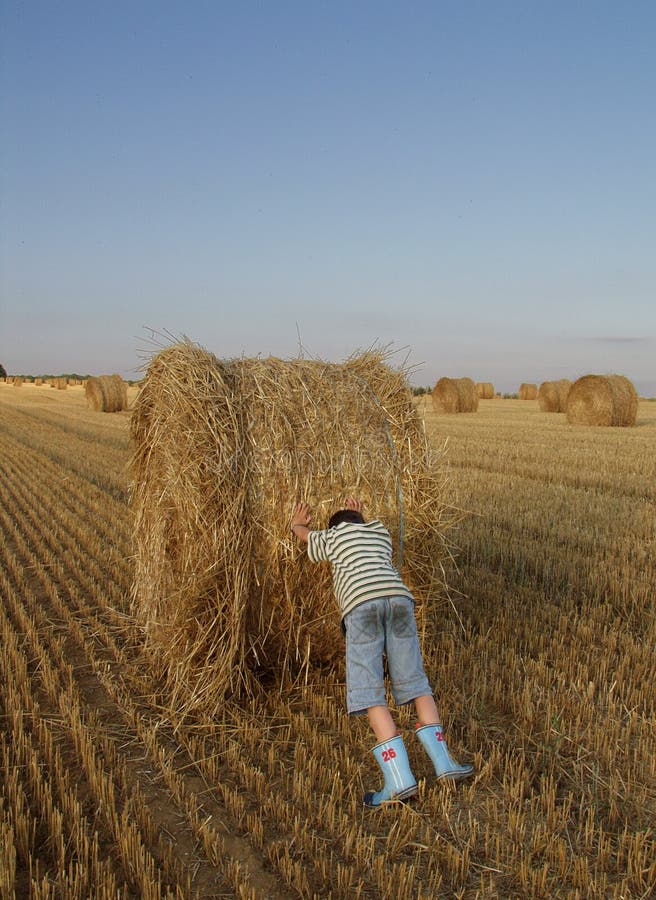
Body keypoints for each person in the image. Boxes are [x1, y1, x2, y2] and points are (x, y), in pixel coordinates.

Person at [291, 496, 474, 807]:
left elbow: (308, 537)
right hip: (399, 601)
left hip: (362, 607)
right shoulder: (380, 533)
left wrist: (297, 524)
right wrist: (360, 514)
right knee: (416, 681)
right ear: (362, 521)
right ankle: (445, 764)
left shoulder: (334, 537)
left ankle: (399, 780)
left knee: (369, 690)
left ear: (335, 528)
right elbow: (360, 528)